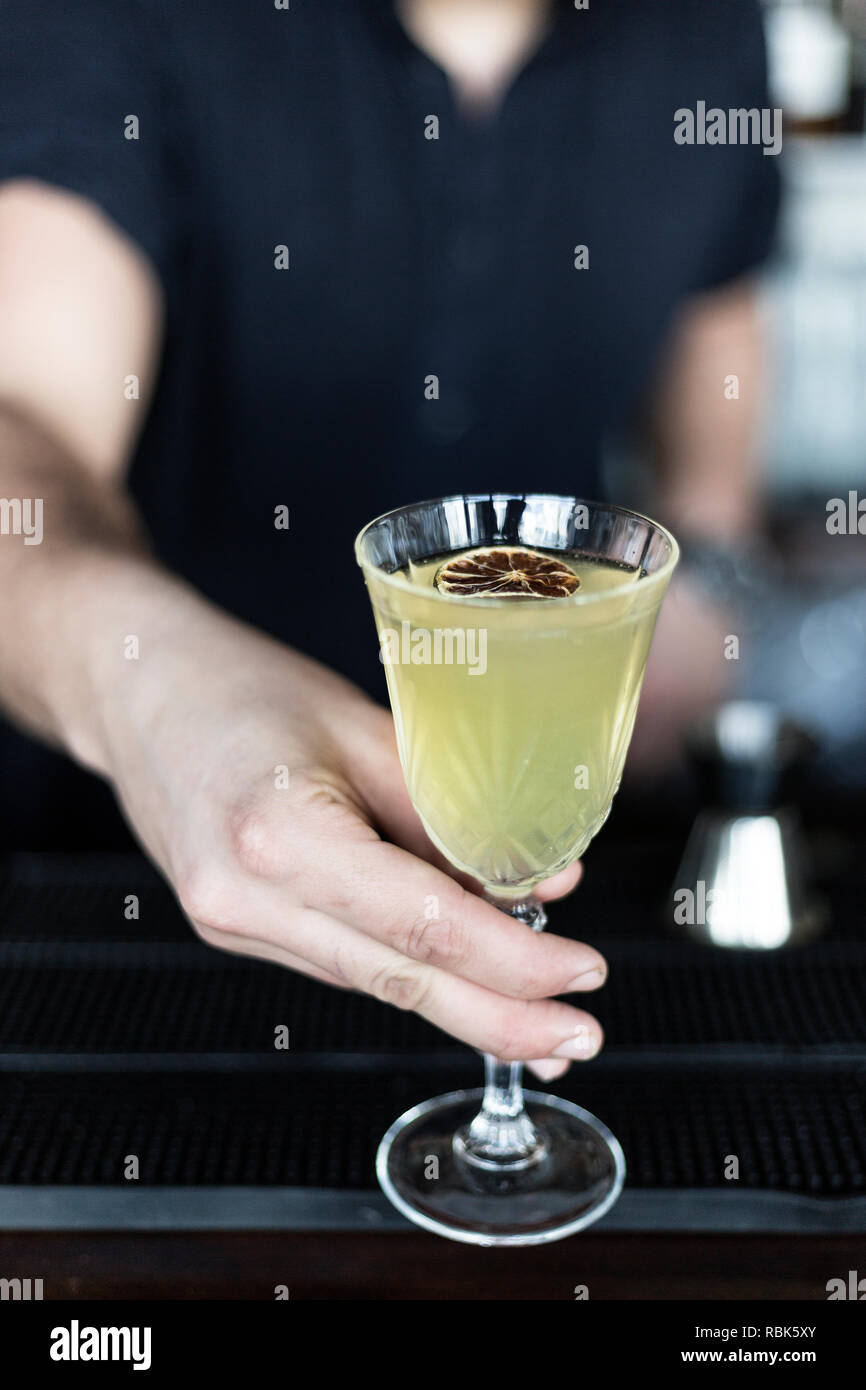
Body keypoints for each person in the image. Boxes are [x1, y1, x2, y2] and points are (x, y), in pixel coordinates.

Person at [0, 0, 779, 1078]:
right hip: (134, 882)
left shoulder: (705, 30)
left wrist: (706, 564)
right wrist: (155, 688)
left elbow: (716, 322)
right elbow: (21, 423)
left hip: (569, 844)